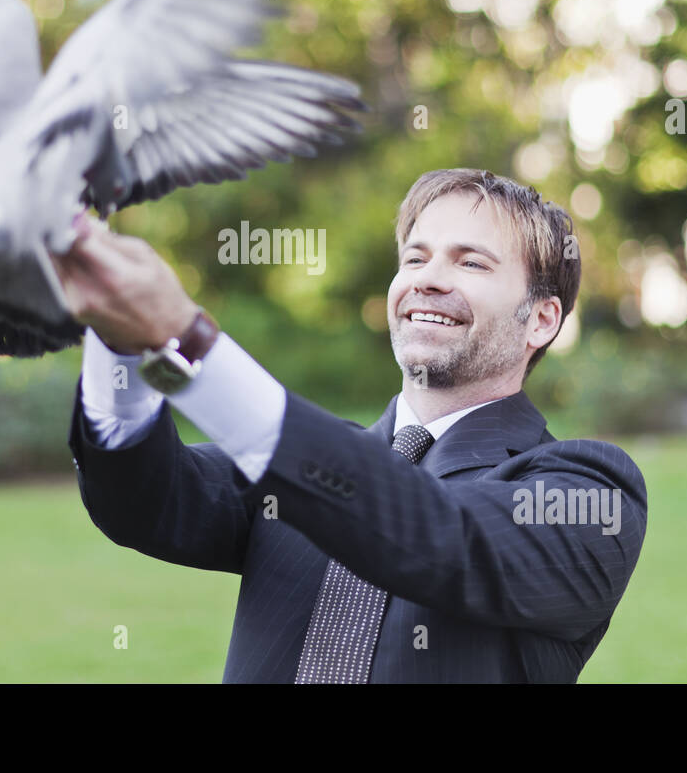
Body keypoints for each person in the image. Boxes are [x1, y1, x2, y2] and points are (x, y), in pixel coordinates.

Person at [50, 168, 647, 683]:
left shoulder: (591, 496)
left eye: (471, 262)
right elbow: (144, 496)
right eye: (415, 257)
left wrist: (190, 344)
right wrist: (116, 334)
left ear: (541, 320)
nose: (428, 278)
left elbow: (436, 534)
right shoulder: (295, 467)